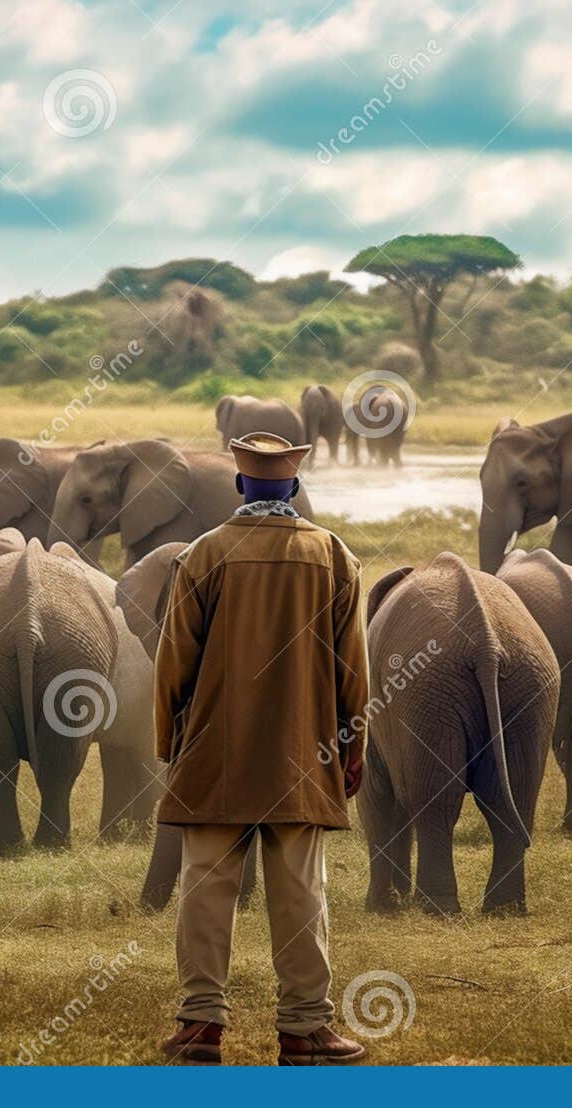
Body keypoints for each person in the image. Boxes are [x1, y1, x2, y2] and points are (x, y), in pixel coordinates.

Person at [153, 430, 371, 1066]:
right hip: (306, 754)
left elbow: (174, 663)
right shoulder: (332, 556)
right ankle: (305, 1029)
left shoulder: (203, 554)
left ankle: (199, 1027)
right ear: (295, 488)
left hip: (212, 755)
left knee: (204, 888)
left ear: (240, 486)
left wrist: (171, 740)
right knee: (302, 890)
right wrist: (353, 743)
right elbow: (352, 667)